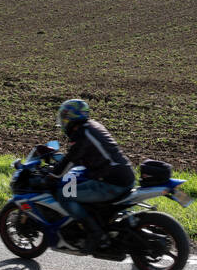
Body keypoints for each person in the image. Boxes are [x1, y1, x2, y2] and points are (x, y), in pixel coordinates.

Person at [51, 99, 135, 251]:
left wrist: (51, 176)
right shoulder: (92, 126)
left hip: (111, 181)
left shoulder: (82, 133)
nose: (63, 121)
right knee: (78, 185)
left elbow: (71, 159)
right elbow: (83, 157)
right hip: (123, 174)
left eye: (64, 117)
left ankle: (95, 234)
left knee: (65, 194)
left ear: (71, 117)